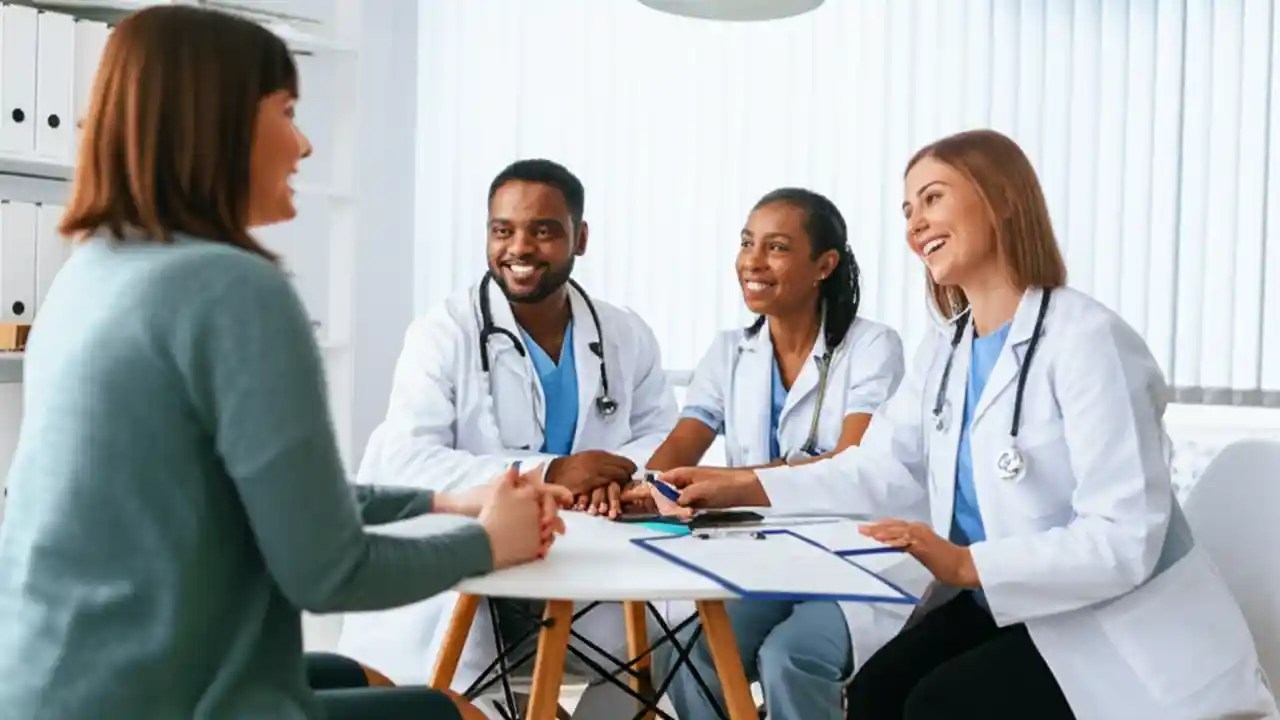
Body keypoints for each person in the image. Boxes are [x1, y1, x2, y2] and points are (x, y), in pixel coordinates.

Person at [0, 8, 568, 720]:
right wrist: (486, 542)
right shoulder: (234, 290)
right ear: (220, 124)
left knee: (367, 676)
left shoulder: (93, 272)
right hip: (159, 700)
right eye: (288, 112)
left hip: (52, 685)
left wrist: (442, 502)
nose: (302, 146)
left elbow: (274, 496)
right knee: (466, 711)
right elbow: (328, 572)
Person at [659, 130, 1278, 718]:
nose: (914, 223)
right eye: (907, 209)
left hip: (1112, 625)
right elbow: (881, 465)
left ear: (1003, 199)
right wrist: (744, 486)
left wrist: (966, 566)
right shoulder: (949, 348)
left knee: (940, 707)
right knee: (877, 692)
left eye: (932, 198)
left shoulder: (1089, 340)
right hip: (1002, 603)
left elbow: (1124, 539)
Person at [335, 159, 678, 715]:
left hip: (588, 552)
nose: (520, 247)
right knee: (465, 695)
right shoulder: (443, 333)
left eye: (543, 230)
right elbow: (404, 459)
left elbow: (660, 434)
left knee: (658, 656)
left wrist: (616, 476)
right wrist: (553, 472)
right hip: (478, 560)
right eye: (503, 230)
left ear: (580, 238)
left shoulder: (623, 333)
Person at [630, 188, 923, 720]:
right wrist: (637, 482)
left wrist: (731, 481)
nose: (753, 261)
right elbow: (681, 445)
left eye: (777, 247)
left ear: (824, 265)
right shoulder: (729, 353)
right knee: (687, 656)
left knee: (789, 658)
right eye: (747, 243)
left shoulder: (873, 348)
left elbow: (850, 459)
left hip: (854, 558)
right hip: (770, 558)